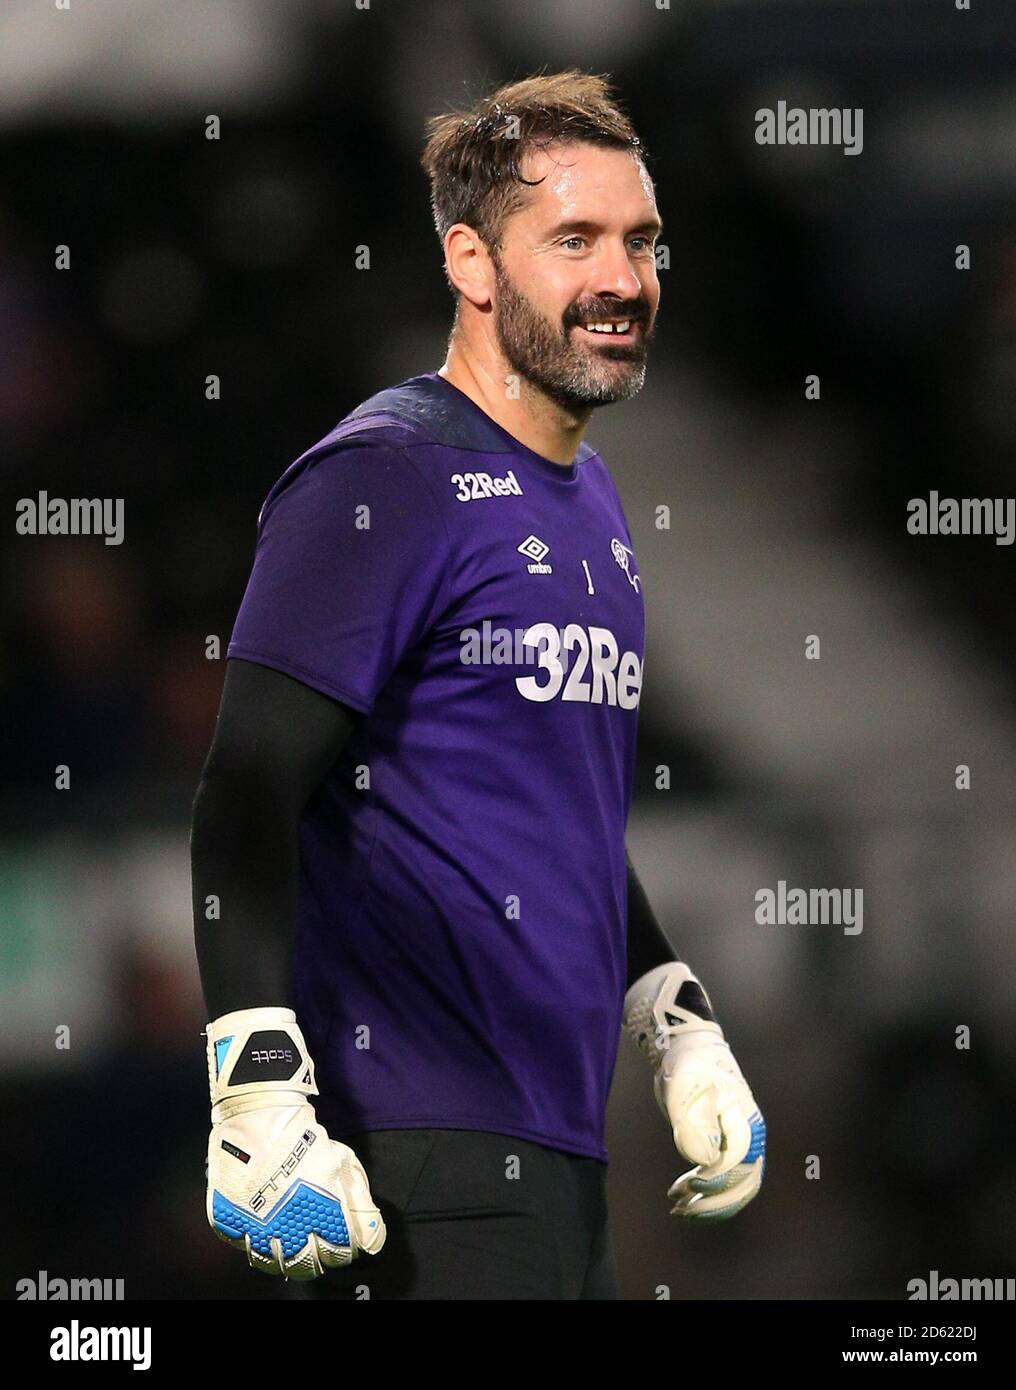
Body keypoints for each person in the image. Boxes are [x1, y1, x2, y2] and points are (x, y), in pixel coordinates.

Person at [191, 70, 765, 1302]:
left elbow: (538, 800)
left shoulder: (593, 499)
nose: (622, 278)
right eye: (574, 240)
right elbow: (244, 789)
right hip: (412, 1164)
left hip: (554, 1154)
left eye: (640, 241)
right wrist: (250, 1086)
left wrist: (670, 1008)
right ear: (468, 261)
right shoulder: (382, 477)